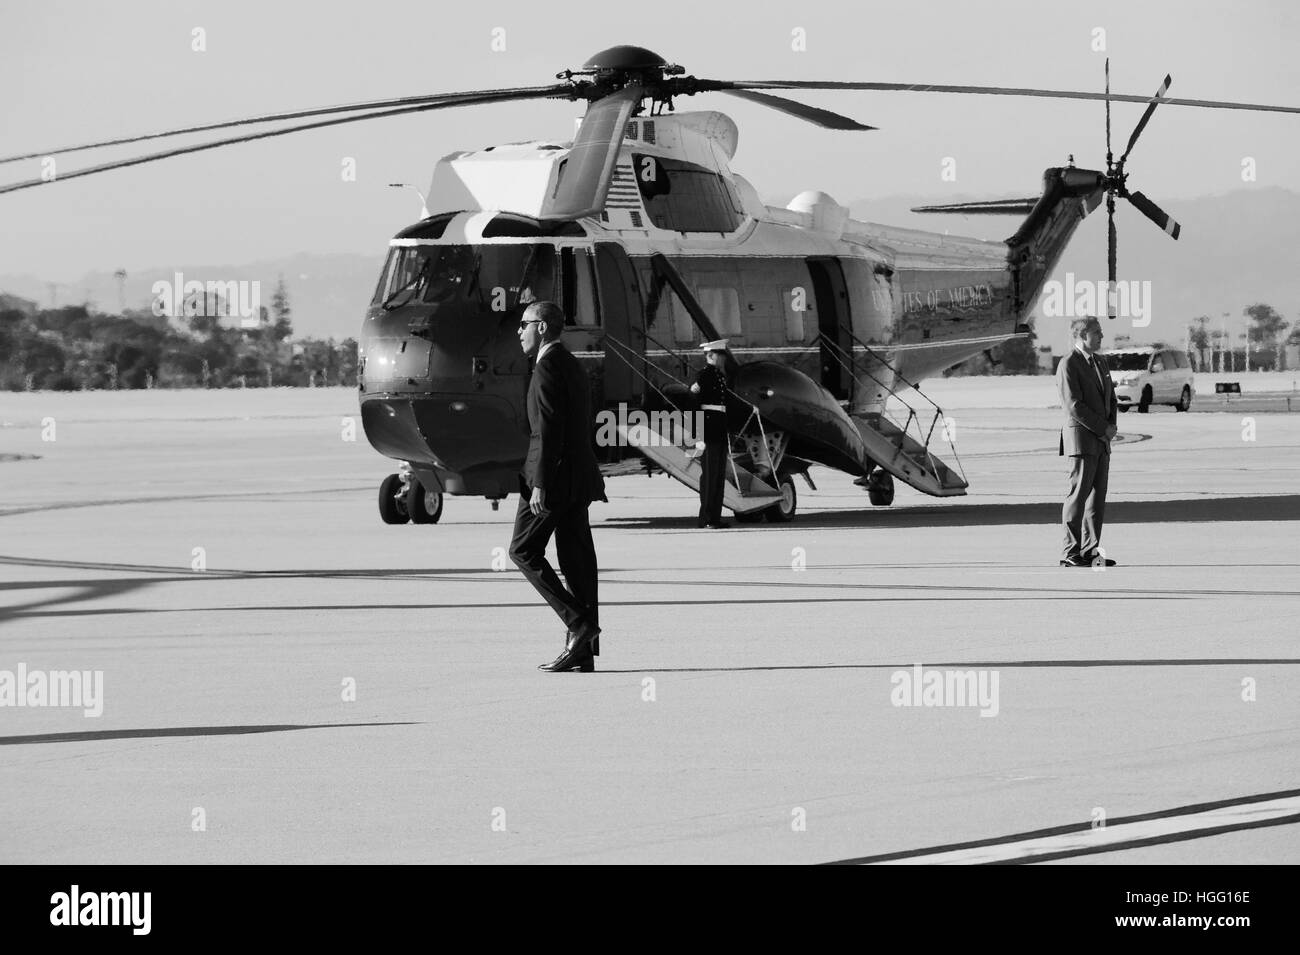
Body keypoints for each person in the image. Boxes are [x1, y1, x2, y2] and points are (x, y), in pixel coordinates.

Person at [509, 301, 607, 672]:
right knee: (577, 561)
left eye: (524, 325)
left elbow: (549, 431)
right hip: (576, 478)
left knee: (523, 551)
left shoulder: (548, 367)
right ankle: (584, 649)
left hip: (552, 480)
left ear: (544, 327)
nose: (519, 331)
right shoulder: (570, 362)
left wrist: (540, 484)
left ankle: (579, 625)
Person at [1056, 316, 1119, 567]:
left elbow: (1111, 399)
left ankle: (1091, 549)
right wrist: (1103, 428)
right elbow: (1074, 406)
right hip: (1082, 440)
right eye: (1097, 332)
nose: (1102, 336)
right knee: (1078, 496)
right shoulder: (1068, 364)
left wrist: (1110, 427)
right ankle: (1071, 552)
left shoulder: (1100, 362)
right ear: (1082, 336)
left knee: (1097, 498)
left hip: (1102, 441)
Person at [690, 340, 731, 529]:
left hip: (719, 430)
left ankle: (715, 517)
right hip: (708, 431)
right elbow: (694, 405)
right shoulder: (705, 375)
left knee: (718, 475)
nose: (723, 359)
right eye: (720, 355)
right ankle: (706, 518)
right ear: (712, 355)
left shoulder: (719, 376)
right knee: (709, 475)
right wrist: (698, 435)